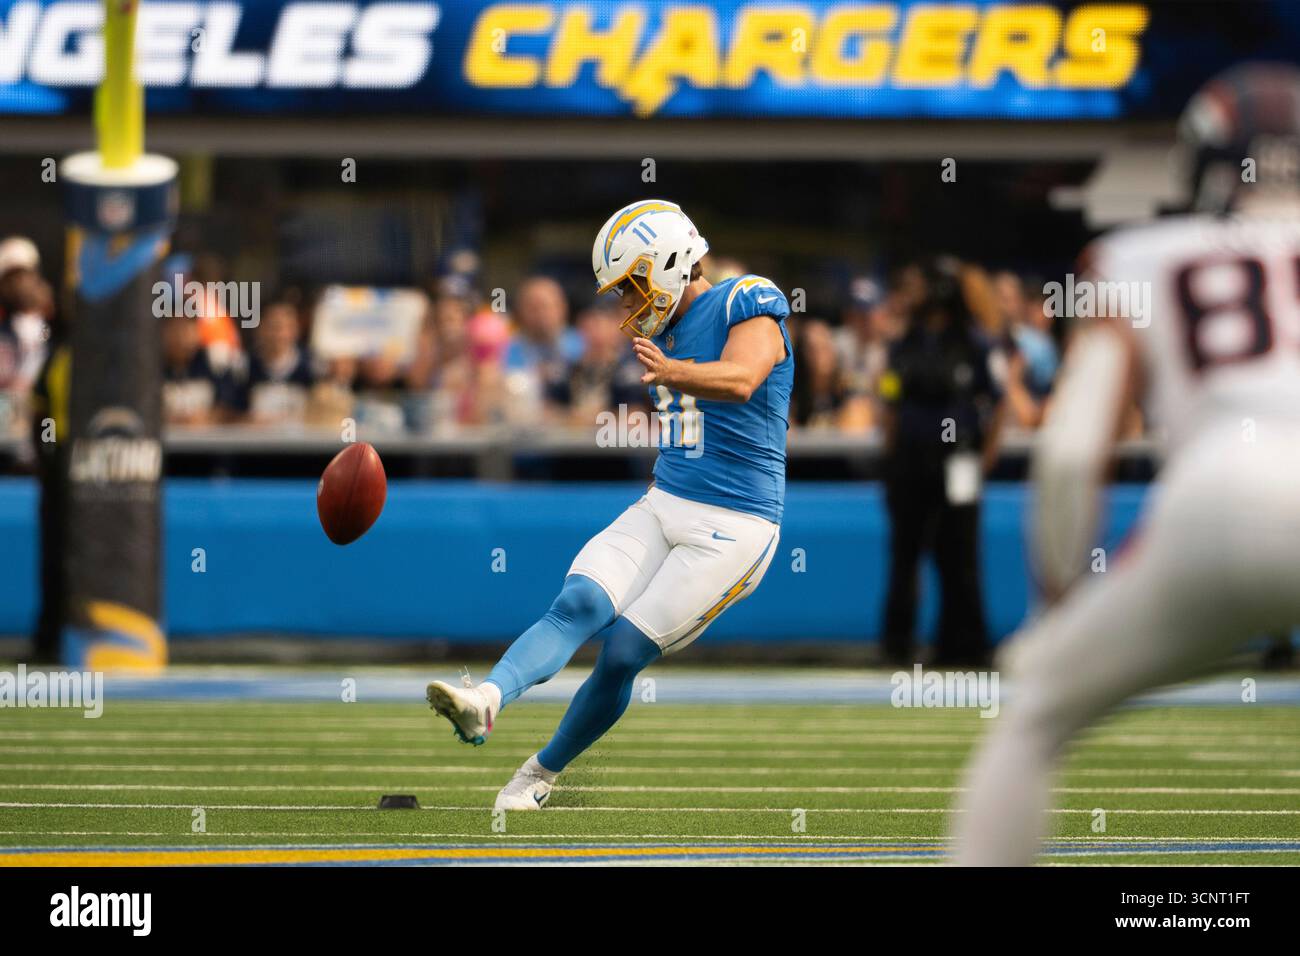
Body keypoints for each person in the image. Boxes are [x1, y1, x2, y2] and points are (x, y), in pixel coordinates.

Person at [953, 63, 1300, 865]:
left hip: (1224, 503)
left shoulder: (1145, 256)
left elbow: (1074, 453)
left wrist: (1058, 601)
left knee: (1037, 715)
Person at [426, 200, 793, 810]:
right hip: (666, 497)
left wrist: (675, 369)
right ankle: (486, 702)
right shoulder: (664, 331)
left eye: (631, 287)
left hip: (737, 524)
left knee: (622, 651)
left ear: (670, 263)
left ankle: (537, 775)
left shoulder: (747, 298)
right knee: (579, 602)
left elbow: (743, 379)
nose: (625, 306)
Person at [877, 258, 1003, 666]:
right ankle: (898, 647)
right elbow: (889, 400)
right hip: (911, 459)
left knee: (961, 553)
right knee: (905, 552)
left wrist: (986, 458)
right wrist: (891, 454)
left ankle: (964, 646)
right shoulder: (904, 344)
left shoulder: (976, 344)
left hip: (961, 459)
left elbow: (999, 402)